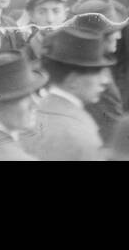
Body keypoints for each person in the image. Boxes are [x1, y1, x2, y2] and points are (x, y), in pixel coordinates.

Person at [24, 27, 114, 161]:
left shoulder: (33, 114)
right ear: (73, 81)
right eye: (97, 73)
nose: (105, 80)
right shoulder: (80, 132)